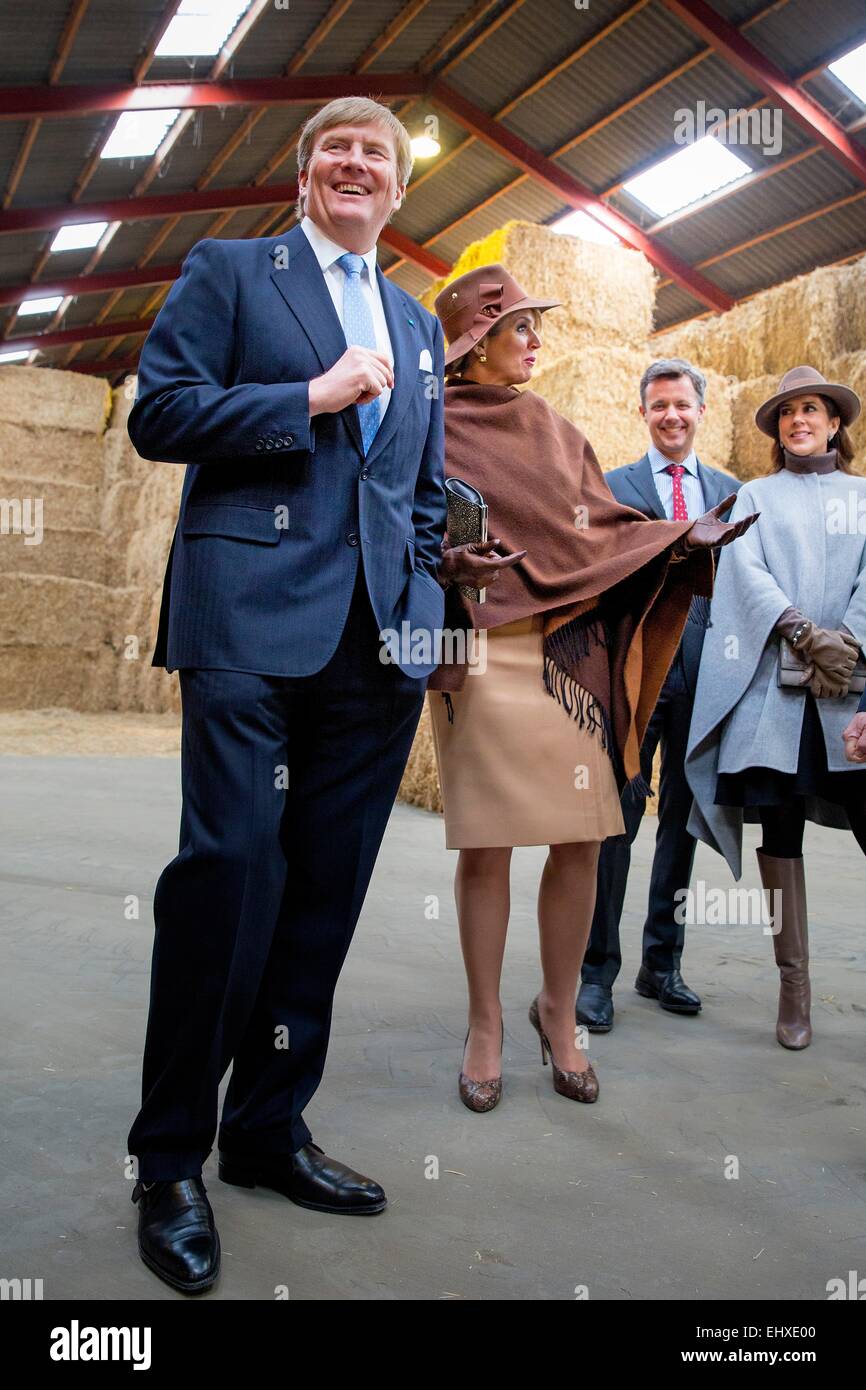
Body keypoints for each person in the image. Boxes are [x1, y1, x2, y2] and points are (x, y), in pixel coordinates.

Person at [124, 97, 493, 1295]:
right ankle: (169, 1156)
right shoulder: (234, 271)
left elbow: (423, 494)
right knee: (227, 879)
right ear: (303, 179)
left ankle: (266, 1128)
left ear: (397, 190)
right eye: (334, 149)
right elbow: (160, 414)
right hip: (245, 622)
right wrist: (311, 397)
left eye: (375, 154)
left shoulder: (416, 323)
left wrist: (430, 619)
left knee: (324, 898)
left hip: (375, 652)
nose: (354, 163)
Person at [427, 265, 757, 1112]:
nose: (537, 342)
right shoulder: (426, 426)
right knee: (488, 843)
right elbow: (410, 528)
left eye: (537, 328)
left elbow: (603, 533)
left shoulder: (554, 428)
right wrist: (444, 564)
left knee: (581, 836)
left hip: (570, 655)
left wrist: (683, 538)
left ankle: (559, 1011)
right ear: (475, 345)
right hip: (482, 647)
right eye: (521, 330)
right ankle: (485, 1025)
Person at [686, 365, 865, 1050]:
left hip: (851, 687)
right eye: (788, 413)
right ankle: (794, 990)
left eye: (811, 409)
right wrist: (798, 629)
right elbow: (744, 573)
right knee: (780, 830)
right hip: (776, 697)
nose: (799, 421)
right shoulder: (754, 495)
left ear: (835, 423)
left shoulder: (864, 495)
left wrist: (846, 643)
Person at [576, 360, 741, 1034]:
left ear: (701, 411)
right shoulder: (615, 487)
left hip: (704, 681)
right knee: (615, 821)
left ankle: (661, 964)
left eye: (681, 404)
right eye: (659, 406)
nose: (671, 415)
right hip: (634, 675)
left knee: (682, 822)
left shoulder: (732, 493)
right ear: (642, 413)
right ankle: (594, 974)